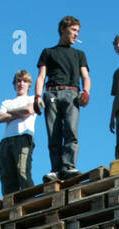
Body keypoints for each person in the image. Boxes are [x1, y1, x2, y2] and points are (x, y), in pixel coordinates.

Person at [35, 15, 90, 181]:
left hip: (72, 95)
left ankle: (68, 166)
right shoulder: (48, 52)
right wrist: (37, 96)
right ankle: (56, 169)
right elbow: (41, 76)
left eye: (78, 31)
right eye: (73, 30)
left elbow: (85, 77)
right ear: (62, 29)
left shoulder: (79, 54)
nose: (76, 34)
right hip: (51, 93)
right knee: (54, 134)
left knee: (71, 131)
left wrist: (86, 92)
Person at [0, 69, 37, 194]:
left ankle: (30, 201)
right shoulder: (7, 102)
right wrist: (20, 112)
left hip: (23, 137)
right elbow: (0, 117)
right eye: (18, 81)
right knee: (6, 175)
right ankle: (10, 206)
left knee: (22, 171)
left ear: (29, 84)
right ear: (14, 84)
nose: (21, 84)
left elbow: (29, 110)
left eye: (24, 81)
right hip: (6, 140)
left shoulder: (32, 98)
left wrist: (11, 112)